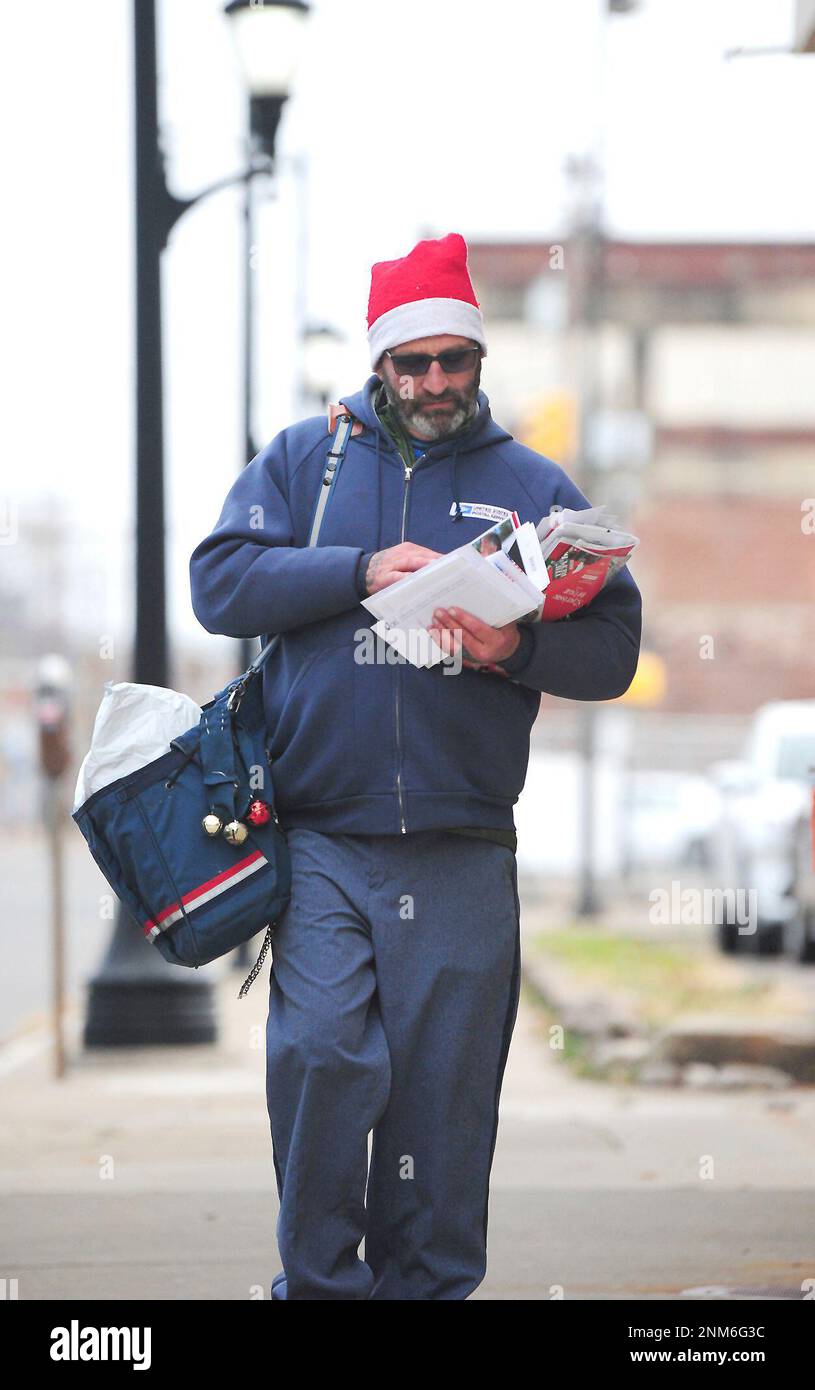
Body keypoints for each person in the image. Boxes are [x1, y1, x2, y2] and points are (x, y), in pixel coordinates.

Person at [189, 232, 642, 1300]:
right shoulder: (308, 463)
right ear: (378, 363)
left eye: (455, 360)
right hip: (323, 838)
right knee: (320, 1058)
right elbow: (219, 583)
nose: (435, 382)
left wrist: (514, 647)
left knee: (440, 1107)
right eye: (413, 363)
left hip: (460, 846)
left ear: (477, 362)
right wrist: (355, 569)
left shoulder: (529, 483)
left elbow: (613, 651)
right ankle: (316, 1285)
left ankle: (427, 1291)